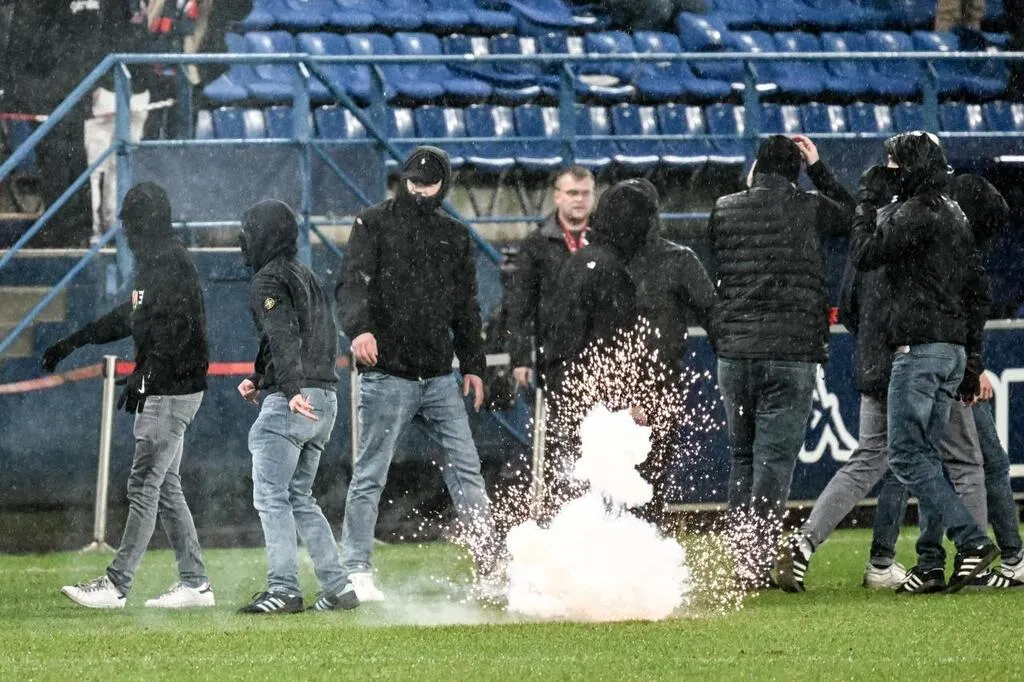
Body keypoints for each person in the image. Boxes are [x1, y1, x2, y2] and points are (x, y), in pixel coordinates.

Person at [335, 146, 501, 602]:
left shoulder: (455, 236)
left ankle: (490, 567)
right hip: (387, 374)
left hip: (439, 376)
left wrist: (473, 366)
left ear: (442, 185)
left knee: (466, 471)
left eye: (426, 184)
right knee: (371, 472)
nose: (418, 190)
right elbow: (351, 282)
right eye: (412, 182)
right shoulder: (373, 223)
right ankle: (355, 569)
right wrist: (359, 329)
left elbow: (467, 309)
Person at [45, 181, 212, 609]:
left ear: (139, 222)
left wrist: (146, 375)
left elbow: (175, 328)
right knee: (165, 485)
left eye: (129, 221)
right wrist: (78, 340)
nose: (125, 230)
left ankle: (117, 586)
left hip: (170, 391)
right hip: (175, 386)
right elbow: (137, 315)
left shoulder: (167, 263)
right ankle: (196, 583)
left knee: (143, 483)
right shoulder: (159, 261)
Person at [850, 131, 996, 593]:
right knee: (930, 458)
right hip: (952, 350)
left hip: (919, 351)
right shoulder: (953, 212)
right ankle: (931, 563)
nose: (889, 170)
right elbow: (976, 289)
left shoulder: (914, 213)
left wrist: (866, 200)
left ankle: (972, 540)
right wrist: (971, 360)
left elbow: (864, 253)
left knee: (905, 455)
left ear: (906, 168)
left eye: (894, 163)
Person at [708, 134, 853, 575]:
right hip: (790, 351)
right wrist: (820, 168)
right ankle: (756, 557)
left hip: (735, 351)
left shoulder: (724, 208)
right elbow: (854, 217)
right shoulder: (810, 207)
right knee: (773, 462)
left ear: (755, 169)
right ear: (796, 172)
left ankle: (741, 556)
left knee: (742, 456)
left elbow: (720, 258)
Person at [235, 199, 358, 615]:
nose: (243, 241)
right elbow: (306, 337)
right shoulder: (306, 275)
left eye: (249, 231)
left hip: (296, 400)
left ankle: (284, 588)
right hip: (326, 399)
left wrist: (286, 389)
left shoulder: (267, 280)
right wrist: (262, 377)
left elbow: (282, 334)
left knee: (271, 496)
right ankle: (339, 588)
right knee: (299, 496)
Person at [540, 179, 660, 513]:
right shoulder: (612, 272)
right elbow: (613, 347)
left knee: (576, 483)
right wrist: (628, 401)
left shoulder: (580, 261)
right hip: (596, 399)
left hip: (565, 383)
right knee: (607, 486)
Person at [506, 166, 595, 391]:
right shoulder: (536, 245)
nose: (580, 199)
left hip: (603, 354)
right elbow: (520, 305)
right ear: (557, 197)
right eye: (572, 193)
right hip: (557, 356)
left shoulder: (609, 240)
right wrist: (521, 358)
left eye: (586, 193)